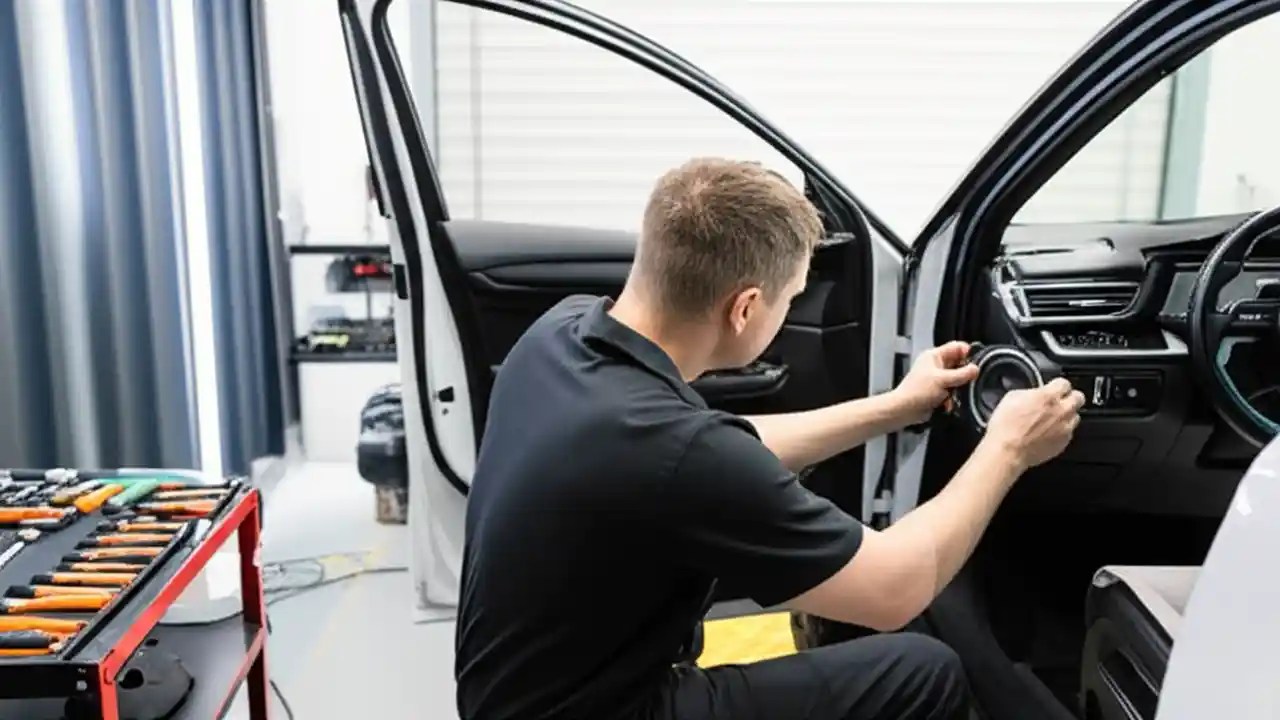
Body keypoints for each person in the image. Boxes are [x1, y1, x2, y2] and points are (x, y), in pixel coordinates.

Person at [455, 157, 1085, 720]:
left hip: (512, 695)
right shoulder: (677, 453)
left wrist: (896, 406)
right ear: (746, 307)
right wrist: (1008, 448)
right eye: (790, 298)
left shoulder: (557, 336)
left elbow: (728, 444)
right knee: (923, 670)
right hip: (610, 708)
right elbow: (898, 587)